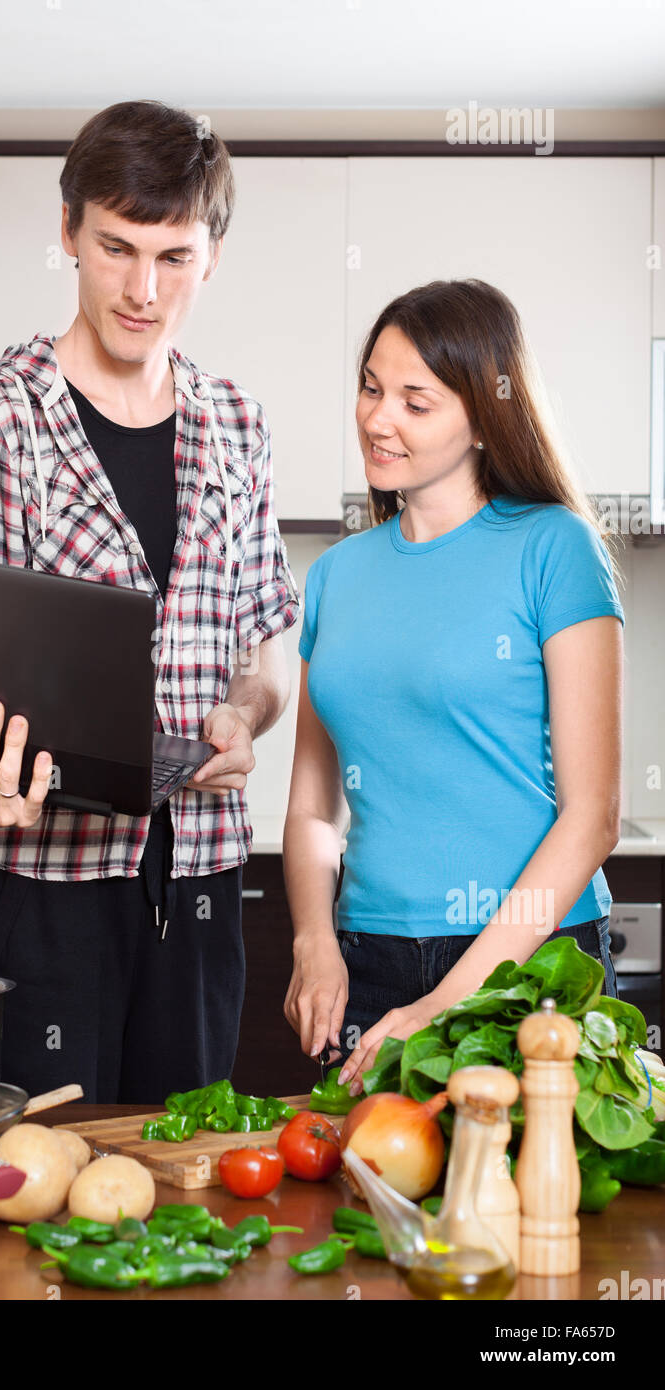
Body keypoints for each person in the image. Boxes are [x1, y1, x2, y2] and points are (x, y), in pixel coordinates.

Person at [0, 100, 300, 1103]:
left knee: (184, 1187)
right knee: (33, 1191)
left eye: (172, 256)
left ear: (211, 255)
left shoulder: (237, 427)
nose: (141, 289)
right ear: (68, 233)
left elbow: (263, 648)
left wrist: (242, 713)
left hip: (205, 882)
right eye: (115, 248)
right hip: (43, 898)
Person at [282, 278, 623, 1095]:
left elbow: (593, 816)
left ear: (482, 417)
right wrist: (312, 941)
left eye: (414, 401)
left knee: (528, 1212)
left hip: (529, 962)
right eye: (369, 388)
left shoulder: (554, 548)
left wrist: (451, 998)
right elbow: (310, 807)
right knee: (371, 1210)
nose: (376, 418)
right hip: (368, 956)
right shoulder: (334, 575)